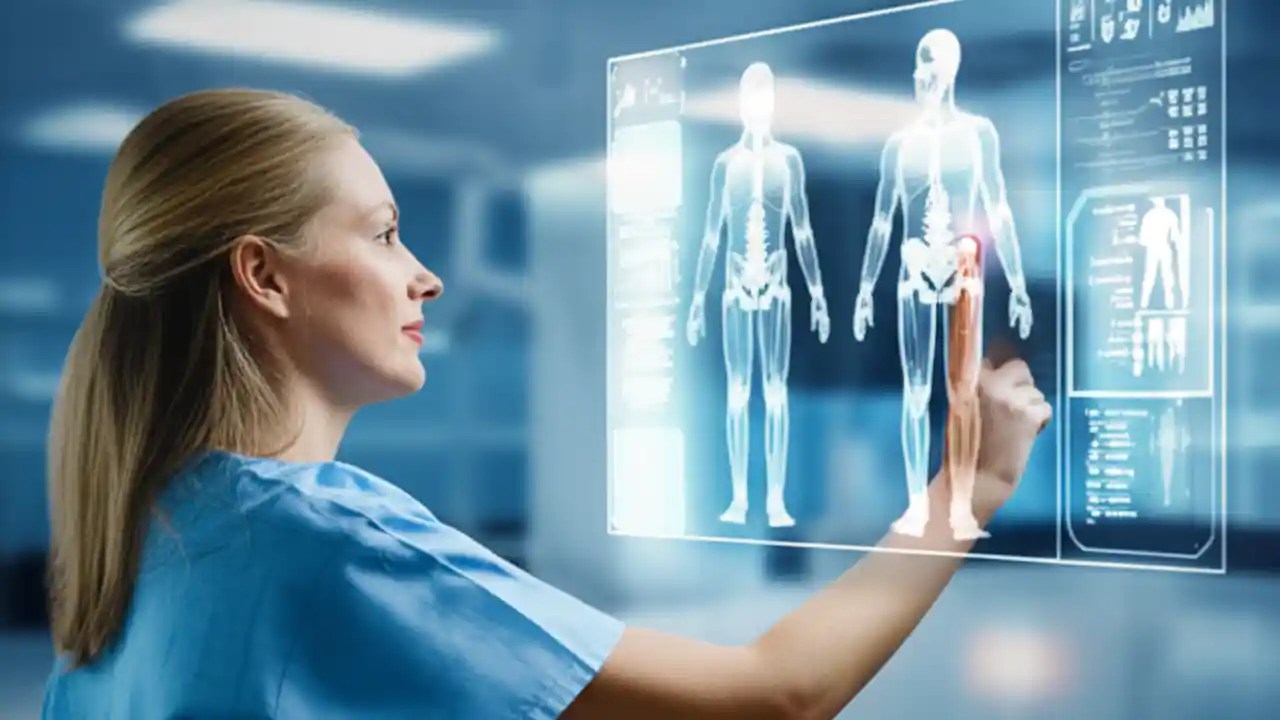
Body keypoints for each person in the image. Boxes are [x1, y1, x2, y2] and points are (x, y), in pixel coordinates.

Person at [41, 88, 1052, 719]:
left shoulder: (146, 545)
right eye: (385, 234)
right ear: (262, 276)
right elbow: (777, 695)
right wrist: (970, 476)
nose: (424, 276)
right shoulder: (325, 538)